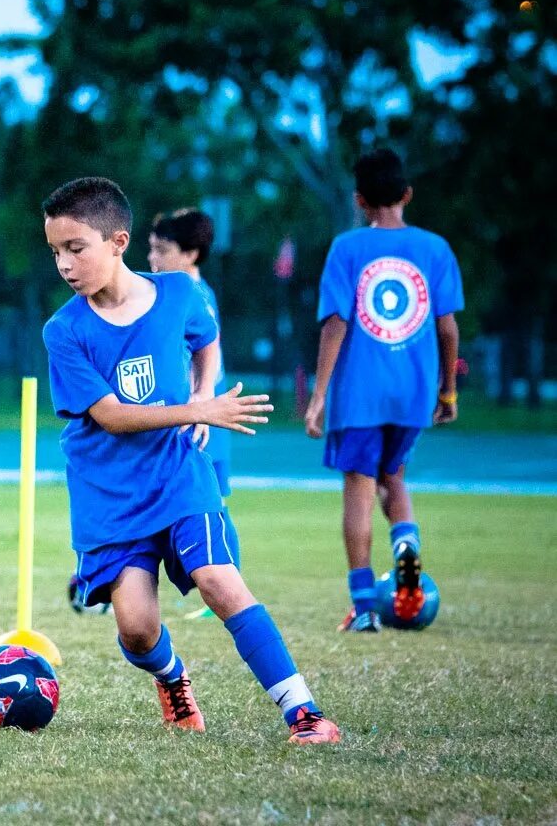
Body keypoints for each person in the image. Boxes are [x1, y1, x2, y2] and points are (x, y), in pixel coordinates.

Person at [43, 176, 339, 744]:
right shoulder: (64, 331)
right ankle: (172, 677)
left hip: (179, 477)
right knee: (135, 629)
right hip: (109, 496)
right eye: (56, 251)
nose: (64, 264)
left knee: (219, 582)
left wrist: (203, 398)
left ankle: (304, 713)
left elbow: (207, 340)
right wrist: (196, 410)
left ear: (118, 241)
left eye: (75, 249)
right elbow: (112, 417)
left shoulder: (178, 294)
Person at [304, 148, 463, 632]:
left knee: (358, 487)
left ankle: (365, 609)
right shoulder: (435, 248)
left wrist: (318, 395)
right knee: (393, 477)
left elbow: (336, 323)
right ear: (407, 194)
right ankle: (407, 561)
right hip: (413, 390)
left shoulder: (347, 248)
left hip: (361, 393)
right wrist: (448, 392)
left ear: (359, 200)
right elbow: (448, 328)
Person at [148, 207, 240, 580]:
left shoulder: (193, 295)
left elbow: (196, 357)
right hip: (197, 414)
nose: (153, 258)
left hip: (198, 417)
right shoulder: (182, 292)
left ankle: (224, 579)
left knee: (209, 502)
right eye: (151, 248)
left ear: (190, 254)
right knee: (209, 501)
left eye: (163, 249)